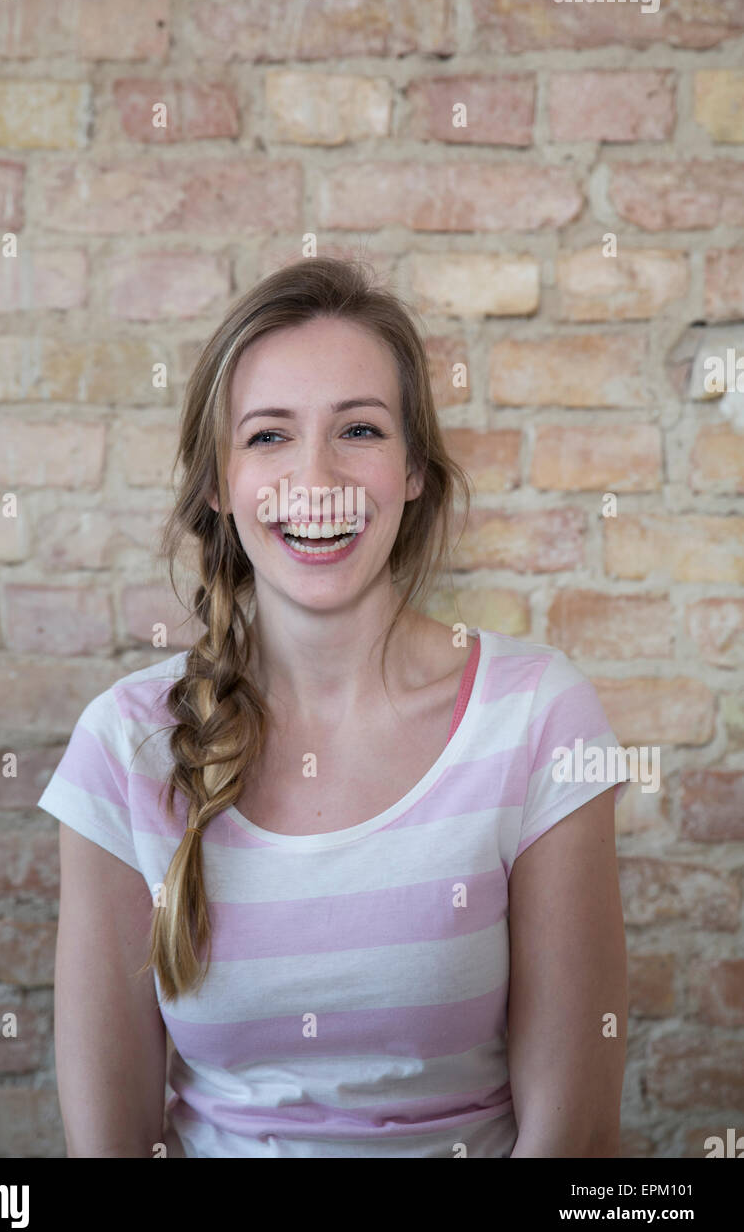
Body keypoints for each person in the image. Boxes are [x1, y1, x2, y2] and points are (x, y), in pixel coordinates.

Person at [38, 255, 631, 1158]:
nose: (317, 477)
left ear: (415, 470)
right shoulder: (126, 745)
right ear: (216, 483)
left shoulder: (540, 719)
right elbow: (109, 1148)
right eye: (269, 436)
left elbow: (575, 1142)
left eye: (359, 429)